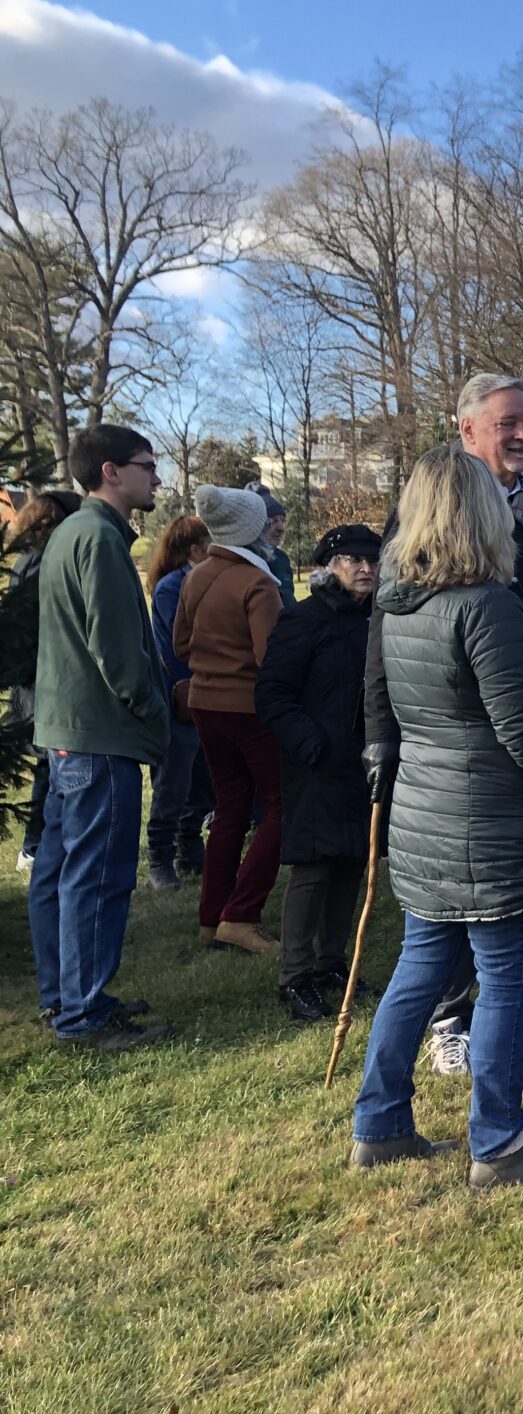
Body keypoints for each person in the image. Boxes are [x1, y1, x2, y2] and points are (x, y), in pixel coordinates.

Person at [348, 446, 523, 1188]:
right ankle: (500, 1145)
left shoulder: (401, 603)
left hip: (431, 817)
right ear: (483, 515)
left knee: (419, 972)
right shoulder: (487, 608)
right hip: (494, 830)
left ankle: (380, 1122)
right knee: (507, 983)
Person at [364, 374, 523, 1068]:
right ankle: (455, 1024)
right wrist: (379, 734)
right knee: (466, 903)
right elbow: (385, 634)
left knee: (514, 893)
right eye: (507, 422)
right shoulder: (431, 518)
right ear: (467, 429)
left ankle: (515, 992)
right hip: (479, 738)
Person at [28, 425, 172, 1049]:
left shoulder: (70, 533)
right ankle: (82, 1015)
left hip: (68, 733)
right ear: (111, 472)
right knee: (97, 875)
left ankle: (67, 998)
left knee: (59, 871)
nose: (157, 478)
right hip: (99, 734)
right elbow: (118, 652)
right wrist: (152, 711)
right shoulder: (100, 539)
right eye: (147, 466)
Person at [255, 523, 382, 1022]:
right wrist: (312, 744)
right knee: (313, 868)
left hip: (363, 760)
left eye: (372, 559)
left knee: (353, 860)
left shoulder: (378, 619)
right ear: (331, 565)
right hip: (317, 763)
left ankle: (331, 963)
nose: (366, 568)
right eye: (354, 560)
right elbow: (272, 693)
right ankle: (294, 975)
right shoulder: (304, 620)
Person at [175, 484, 287, 957]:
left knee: (229, 808)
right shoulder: (257, 583)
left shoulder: (195, 576)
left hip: (204, 704)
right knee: (284, 805)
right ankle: (240, 915)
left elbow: (181, 645)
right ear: (251, 528)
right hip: (249, 708)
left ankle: (211, 917)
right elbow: (273, 659)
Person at [8, 489, 83, 875]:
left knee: (47, 766)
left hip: (33, 679)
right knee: (48, 767)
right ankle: (35, 845)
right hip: (42, 680)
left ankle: (39, 843)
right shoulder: (41, 563)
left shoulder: (25, 561)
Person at [141, 514, 215, 890]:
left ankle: (189, 848)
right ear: (193, 549)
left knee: (201, 778)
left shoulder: (202, 578)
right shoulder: (173, 586)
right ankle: (160, 858)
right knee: (173, 781)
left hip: (205, 691)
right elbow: (177, 644)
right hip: (180, 696)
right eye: (208, 543)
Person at [245, 482, 295, 606]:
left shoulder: (282, 559)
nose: (281, 528)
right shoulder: (244, 559)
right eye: (273, 521)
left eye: (283, 520)